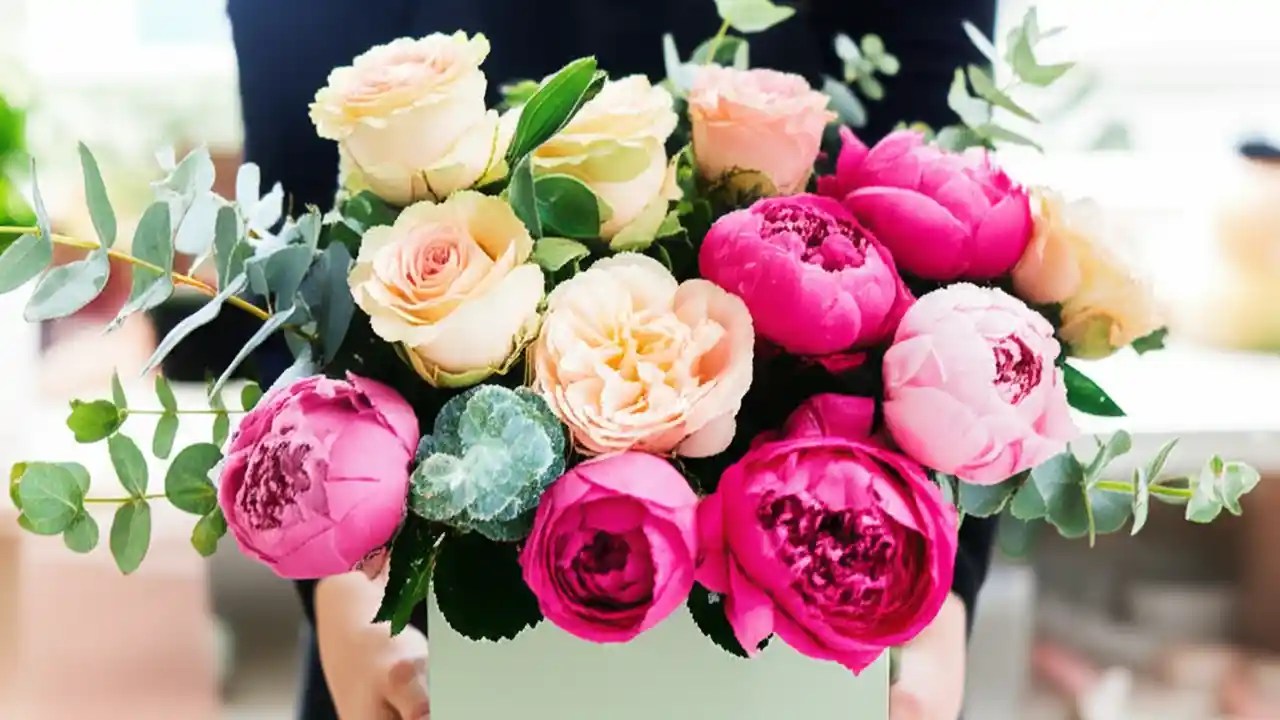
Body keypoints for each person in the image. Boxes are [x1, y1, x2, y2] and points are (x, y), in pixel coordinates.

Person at [223, 1, 999, 718]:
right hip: (414, 638)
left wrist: (940, 611)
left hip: (813, 632)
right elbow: (284, 273)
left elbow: (943, 235)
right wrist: (344, 596)